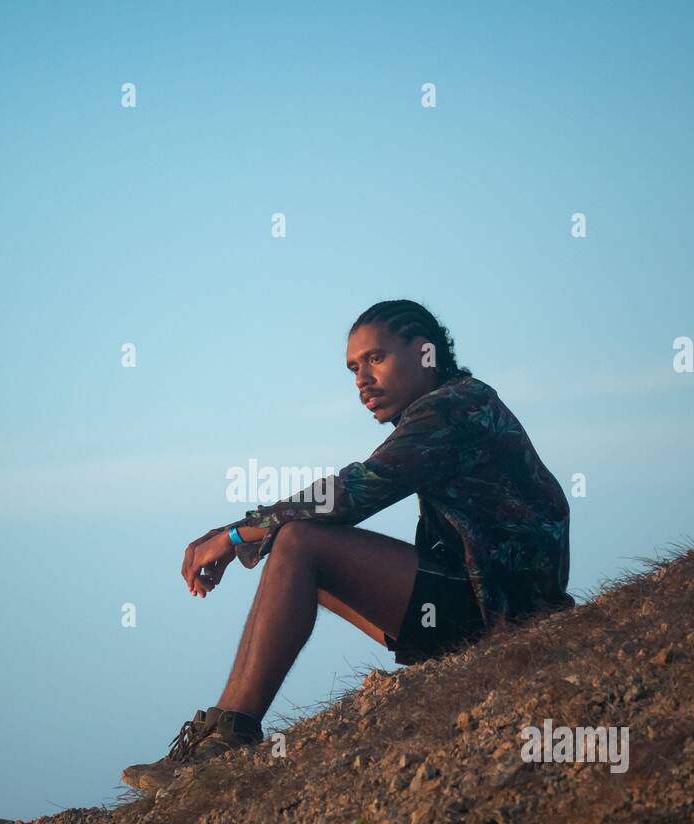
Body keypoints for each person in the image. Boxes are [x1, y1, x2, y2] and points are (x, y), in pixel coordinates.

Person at [121, 299, 573, 792]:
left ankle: (232, 733)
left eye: (376, 359)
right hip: (478, 607)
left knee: (301, 542)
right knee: (296, 555)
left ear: (425, 354)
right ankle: (222, 731)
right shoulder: (445, 406)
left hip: (502, 611)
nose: (362, 380)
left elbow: (353, 491)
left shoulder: (455, 406)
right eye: (354, 368)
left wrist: (234, 534)